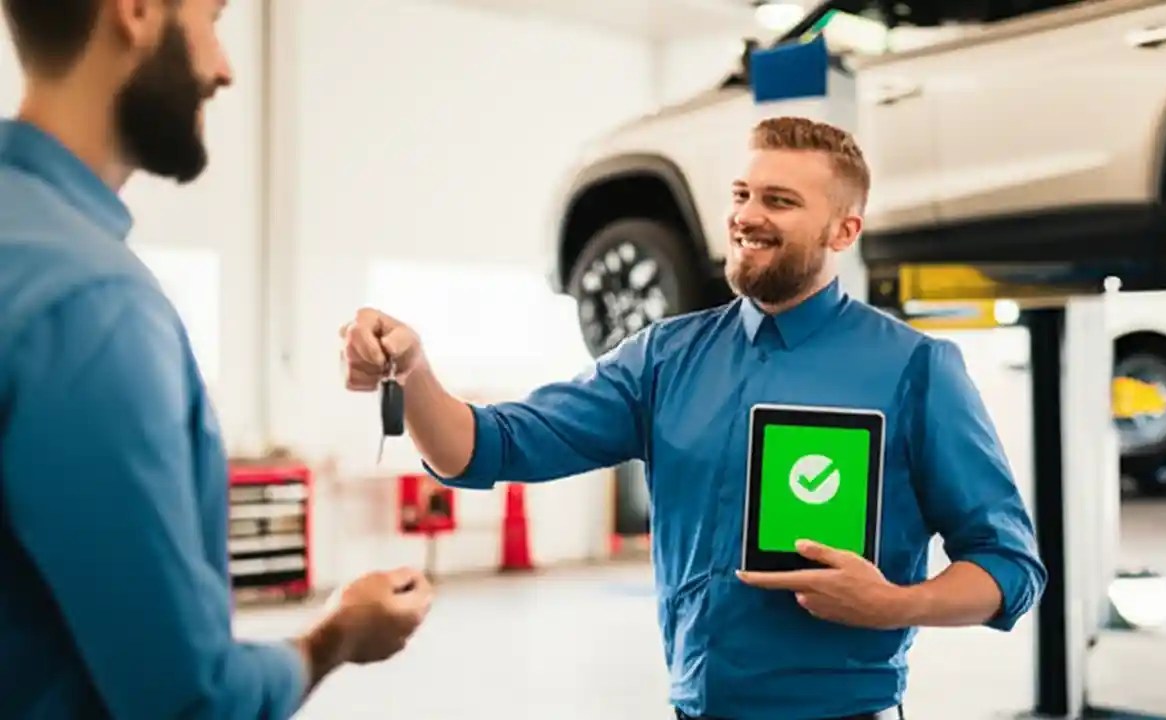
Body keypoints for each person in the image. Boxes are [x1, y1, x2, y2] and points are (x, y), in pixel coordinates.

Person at [341, 116, 1047, 719]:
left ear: (844, 228)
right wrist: (417, 371)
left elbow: (1008, 567)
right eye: (741, 194)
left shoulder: (915, 369)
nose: (746, 215)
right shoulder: (664, 358)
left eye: (778, 200)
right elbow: (490, 447)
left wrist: (895, 603)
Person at [0, 1, 433, 718]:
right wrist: (335, 635)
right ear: (135, 11)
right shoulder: (92, 304)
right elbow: (191, 701)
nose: (224, 68)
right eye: (213, 18)